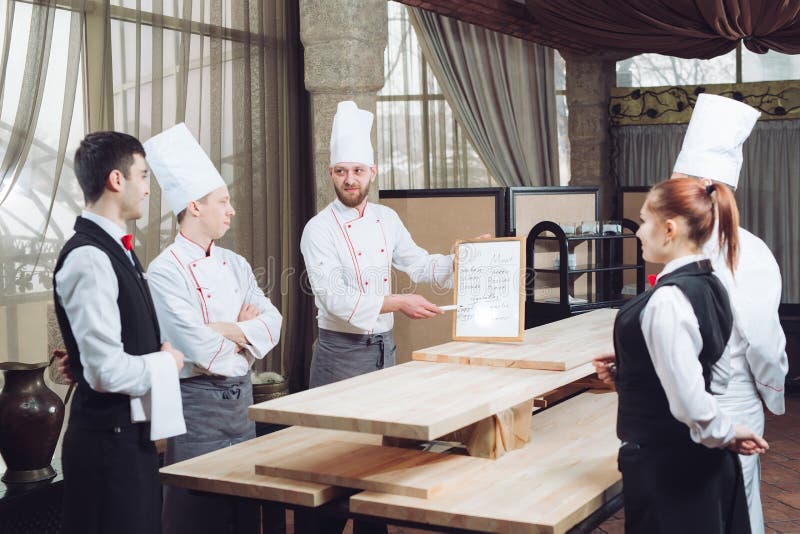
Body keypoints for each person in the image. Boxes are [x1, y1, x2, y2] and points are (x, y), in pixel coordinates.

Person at [594, 177, 768, 533]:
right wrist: (635, 366)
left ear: (669, 228)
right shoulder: (712, 284)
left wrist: (724, 431)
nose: (640, 232)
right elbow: (714, 373)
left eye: (644, 221)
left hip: (669, 468)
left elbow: (691, 402)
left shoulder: (668, 300)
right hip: (700, 463)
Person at [142, 123, 283, 534]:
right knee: (195, 518)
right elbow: (196, 347)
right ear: (195, 206)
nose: (231, 209)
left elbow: (274, 323)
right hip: (197, 409)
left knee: (245, 516)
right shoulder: (164, 271)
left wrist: (225, 329)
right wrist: (244, 332)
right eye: (223, 201)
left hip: (242, 406)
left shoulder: (235, 263)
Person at [53, 131, 185, 534]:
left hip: (126, 441)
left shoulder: (117, 248)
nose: (147, 190)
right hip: (107, 449)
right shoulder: (90, 257)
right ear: (116, 180)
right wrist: (167, 362)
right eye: (142, 176)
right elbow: (105, 372)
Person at [670, 93, 788, 534]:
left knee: (734, 511)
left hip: (731, 403)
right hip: (684, 407)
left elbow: (762, 341)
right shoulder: (681, 248)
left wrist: (765, 390)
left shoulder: (749, 252)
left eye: (677, 184)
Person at [300, 100, 463, 388]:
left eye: (358, 171)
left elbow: (420, 265)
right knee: (340, 434)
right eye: (341, 171)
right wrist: (399, 303)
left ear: (372, 172)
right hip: (340, 353)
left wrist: (460, 258)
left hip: (385, 349)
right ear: (331, 174)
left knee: (383, 429)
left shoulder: (386, 218)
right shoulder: (318, 229)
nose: (349, 180)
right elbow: (335, 299)